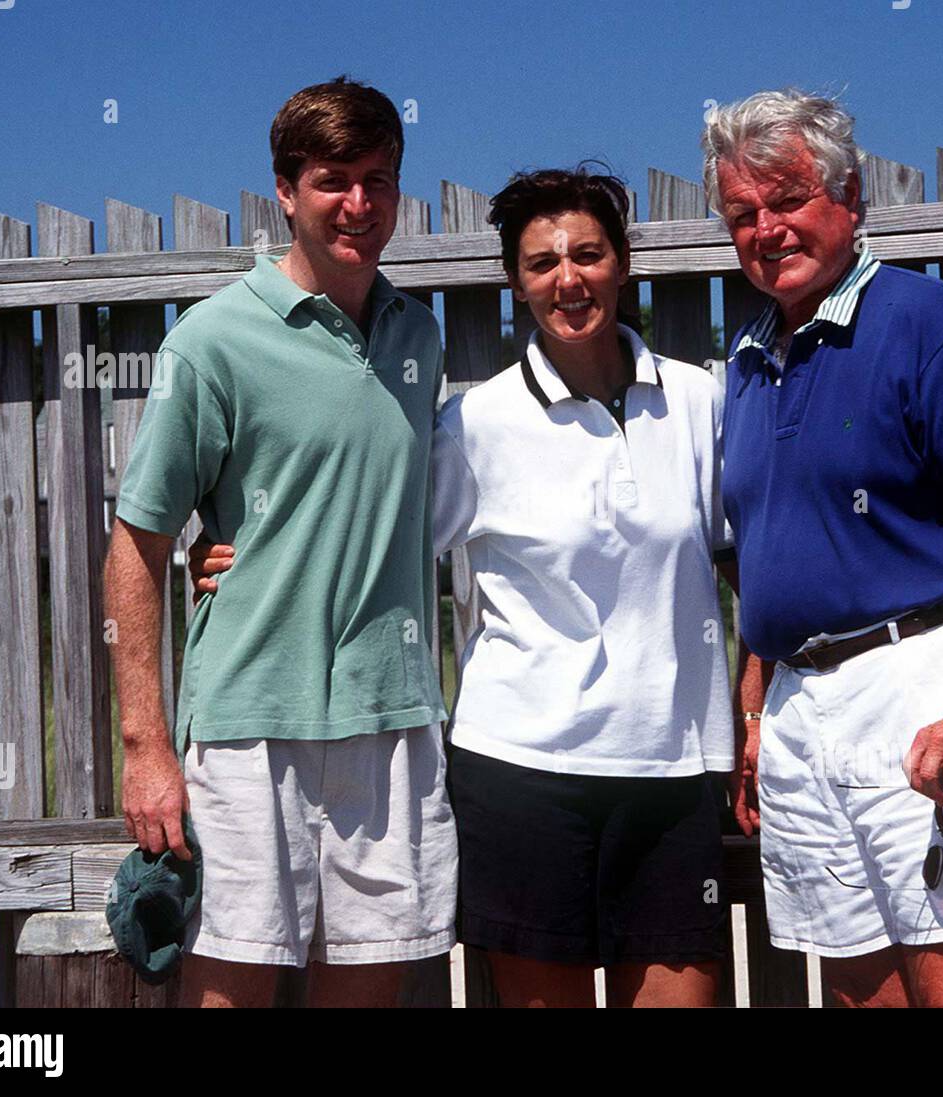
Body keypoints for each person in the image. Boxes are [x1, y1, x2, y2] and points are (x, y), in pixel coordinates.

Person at [193, 166, 738, 1007]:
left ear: (623, 264)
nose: (569, 279)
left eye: (588, 254)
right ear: (518, 285)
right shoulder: (476, 425)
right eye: (541, 263)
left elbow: (750, 556)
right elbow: (376, 541)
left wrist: (760, 689)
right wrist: (258, 555)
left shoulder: (700, 402)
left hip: (675, 773)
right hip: (521, 775)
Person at [702, 89, 943, 1007]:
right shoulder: (751, 363)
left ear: (850, 196)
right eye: (742, 213)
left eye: (788, 198)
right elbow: (764, 558)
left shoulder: (936, 326)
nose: (767, 228)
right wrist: (755, 715)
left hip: (924, 692)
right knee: (855, 992)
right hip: (803, 710)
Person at [104, 77, 457, 1008]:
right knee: (230, 987)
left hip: (390, 719)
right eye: (334, 179)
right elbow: (138, 541)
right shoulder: (212, 342)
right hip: (250, 721)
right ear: (284, 192)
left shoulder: (419, 335)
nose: (359, 204)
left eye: (378, 179)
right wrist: (145, 744)